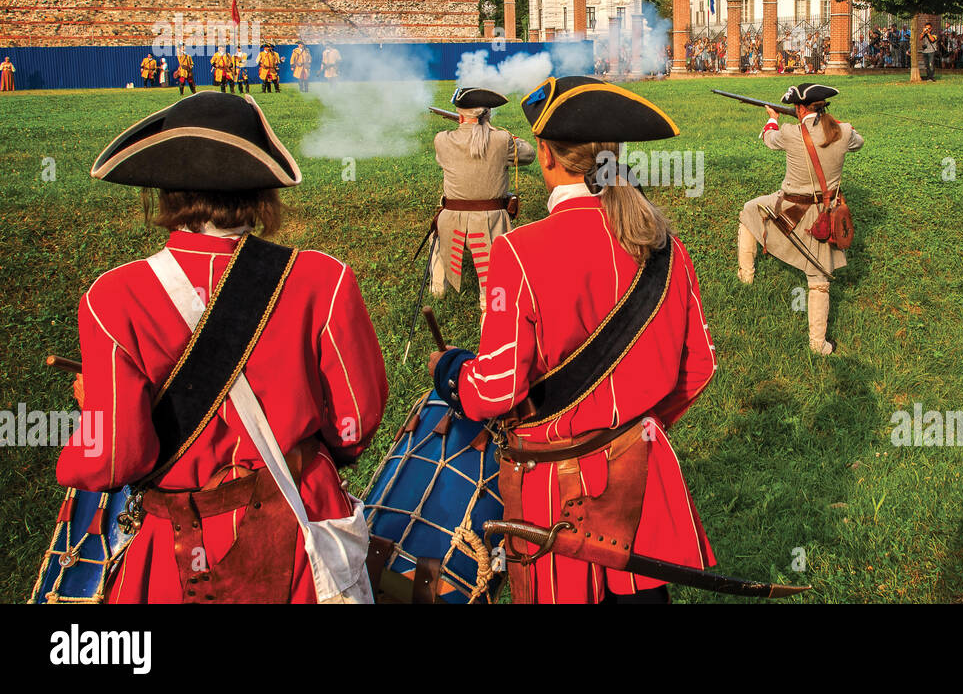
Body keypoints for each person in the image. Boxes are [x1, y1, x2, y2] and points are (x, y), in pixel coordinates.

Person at [57, 91, 388, 602]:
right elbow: (356, 421)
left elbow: (114, 458)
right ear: (260, 191)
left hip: (179, 546)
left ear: (164, 188)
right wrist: (310, 455)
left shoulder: (111, 298)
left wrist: (92, 414)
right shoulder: (324, 278)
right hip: (301, 518)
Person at [428, 75, 717, 604]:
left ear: (544, 154)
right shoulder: (667, 248)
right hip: (643, 477)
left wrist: (449, 371)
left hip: (553, 493)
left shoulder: (520, 251)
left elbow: (494, 392)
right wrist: (633, 429)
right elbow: (698, 368)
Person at [738, 83, 864, 354]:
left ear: (798, 108)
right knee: (819, 282)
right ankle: (818, 344)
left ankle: (745, 275)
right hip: (825, 215)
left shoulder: (790, 132)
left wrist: (772, 118)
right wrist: (837, 123)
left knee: (749, 209)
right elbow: (859, 142)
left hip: (791, 210)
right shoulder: (844, 132)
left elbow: (768, 139)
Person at [429, 87, 537, 312]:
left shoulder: (441, 140)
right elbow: (528, 154)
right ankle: (489, 303)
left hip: (451, 222)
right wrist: (499, 133)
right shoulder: (501, 139)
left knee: (436, 235)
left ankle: (438, 287)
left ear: (459, 115)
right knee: (494, 270)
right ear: (486, 115)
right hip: (491, 222)